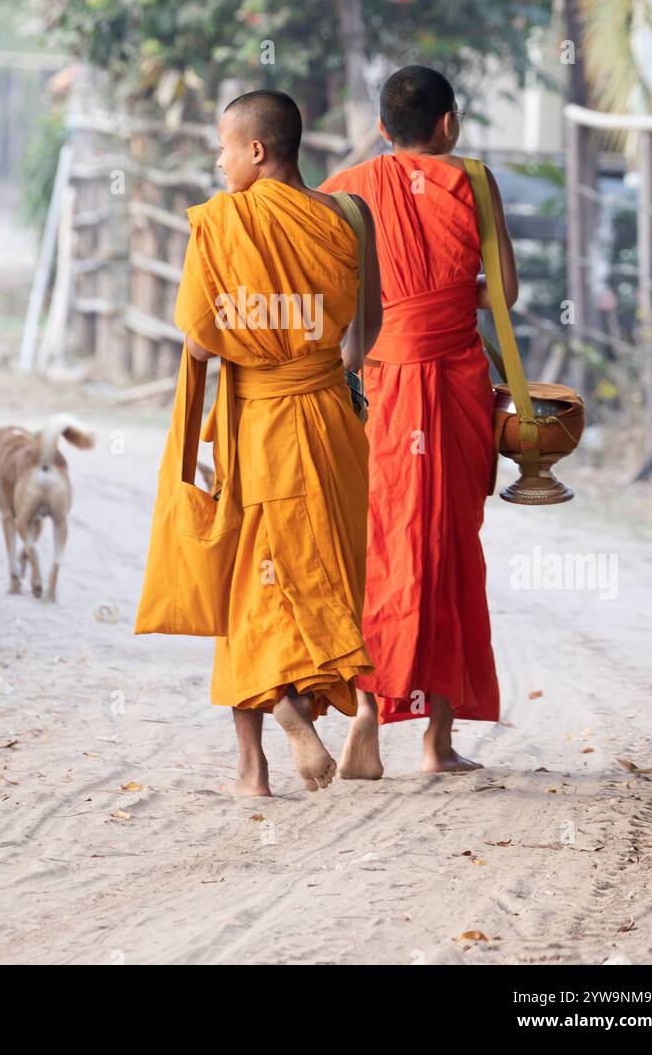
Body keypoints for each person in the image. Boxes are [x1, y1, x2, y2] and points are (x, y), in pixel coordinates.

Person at [139, 90, 382, 796]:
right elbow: (366, 333)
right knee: (321, 573)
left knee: (248, 582)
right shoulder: (348, 215)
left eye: (223, 147)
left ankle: (255, 762)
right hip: (332, 422)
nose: (217, 162)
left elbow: (197, 345)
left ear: (255, 150)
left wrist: (187, 440)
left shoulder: (221, 225)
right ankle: (300, 702)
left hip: (257, 426)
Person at [321, 66, 518, 777]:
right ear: (449, 123)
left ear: (381, 128)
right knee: (449, 551)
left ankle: (367, 715)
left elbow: (328, 298)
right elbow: (507, 294)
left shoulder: (344, 189)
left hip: (378, 387)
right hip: (456, 382)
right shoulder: (475, 181)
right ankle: (436, 741)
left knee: (381, 545)